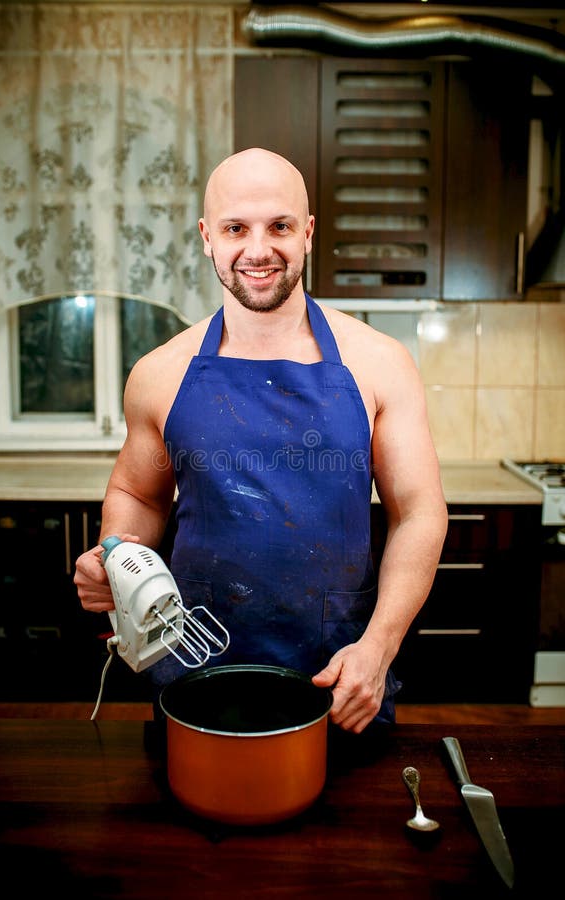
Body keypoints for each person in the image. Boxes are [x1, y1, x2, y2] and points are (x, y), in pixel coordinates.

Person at [74, 147, 448, 733]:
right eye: (235, 228)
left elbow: (420, 514)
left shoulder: (379, 363)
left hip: (338, 672)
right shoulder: (160, 372)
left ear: (308, 233)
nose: (257, 249)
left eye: (279, 226)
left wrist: (377, 649)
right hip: (194, 667)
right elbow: (139, 494)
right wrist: (117, 558)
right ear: (206, 237)